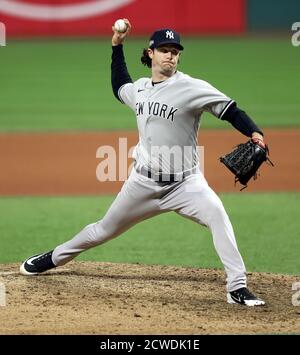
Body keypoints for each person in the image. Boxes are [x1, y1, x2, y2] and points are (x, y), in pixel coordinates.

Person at [20, 19, 266, 306]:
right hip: (142, 183)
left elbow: (230, 110)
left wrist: (255, 132)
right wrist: (116, 45)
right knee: (102, 230)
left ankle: (237, 287)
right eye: (164, 49)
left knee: (218, 216)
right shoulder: (140, 89)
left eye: (175, 51)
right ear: (150, 53)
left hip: (186, 184)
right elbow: (119, 85)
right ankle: (52, 257)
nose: (171, 55)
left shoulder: (192, 87)